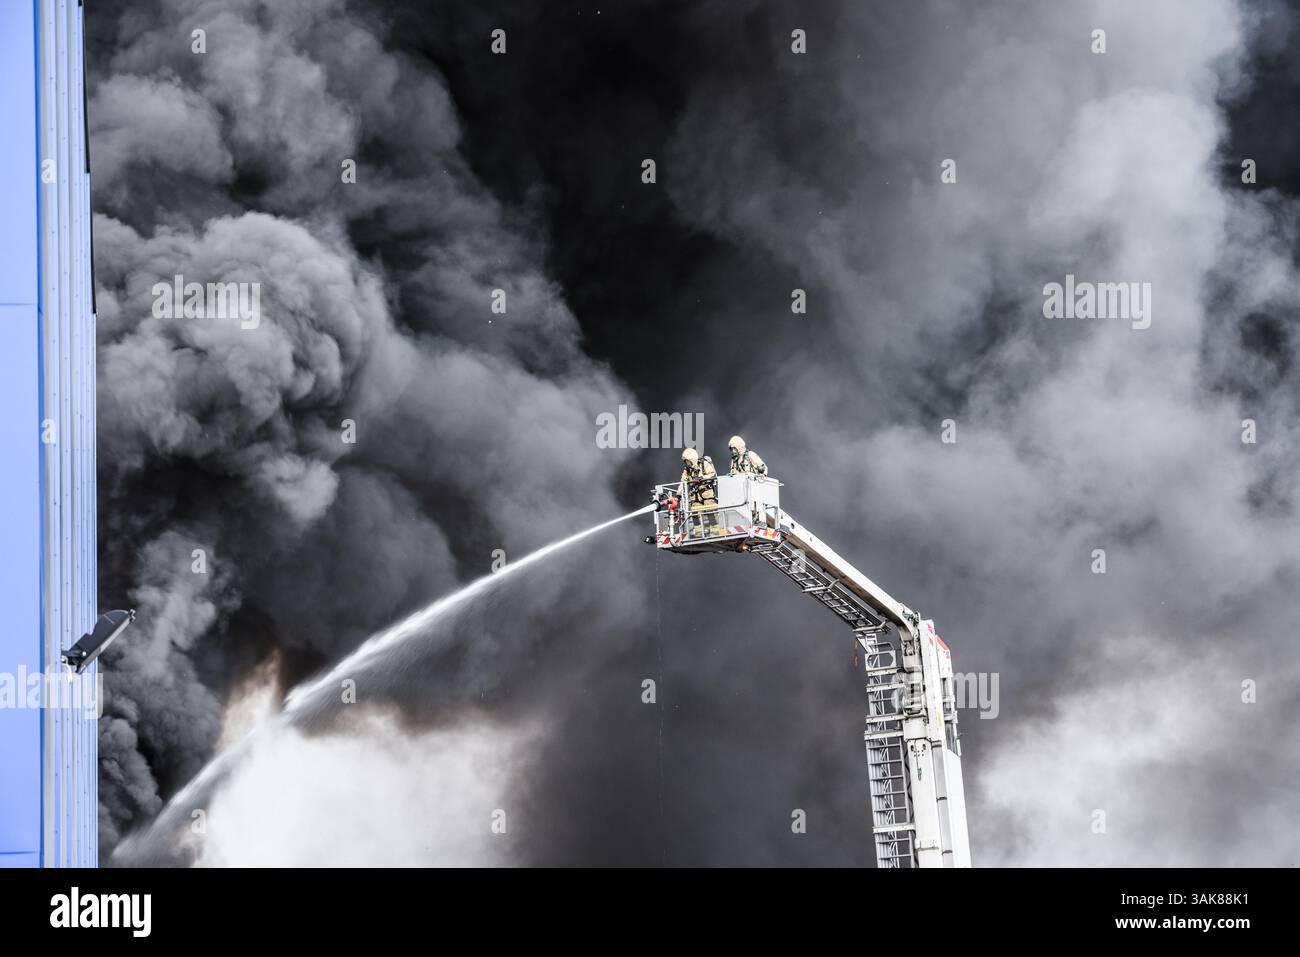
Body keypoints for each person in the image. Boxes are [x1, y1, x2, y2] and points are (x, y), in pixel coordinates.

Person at [679, 447, 719, 537]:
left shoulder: (704, 464)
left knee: (710, 511)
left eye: (688, 461)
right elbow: (682, 483)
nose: (687, 464)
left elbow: (713, 474)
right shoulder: (687, 471)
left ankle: (715, 531)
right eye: (685, 462)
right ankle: (698, 533)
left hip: (707, 495)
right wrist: (678, 495)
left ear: (692, 460)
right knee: (694, 512)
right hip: (695, 497)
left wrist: (702, 478)